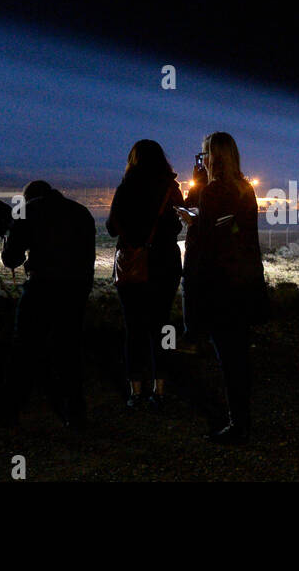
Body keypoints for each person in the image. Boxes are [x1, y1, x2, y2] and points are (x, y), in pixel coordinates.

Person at [178, 131, 266, 445]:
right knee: (237, 354)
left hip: (220, 285)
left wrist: (192, 216)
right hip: (242, 281)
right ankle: (241, 419)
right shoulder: (244, 188)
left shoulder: (218, 189)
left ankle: (238, 424)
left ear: (214, 156)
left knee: (229, 357)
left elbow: (210, 233)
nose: (202, 159)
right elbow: (231, 229)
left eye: (205, 153)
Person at [0, 180, 97, 427]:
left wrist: (10, 236)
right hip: (76, 289)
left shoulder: (29, 210)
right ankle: (75, 414)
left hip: (42, 288)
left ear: (28, 197)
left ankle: (8, 411)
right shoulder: (81, 211)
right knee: (69, 351)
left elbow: (11, 259)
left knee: (24, 350)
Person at [106, 140, 183, 409]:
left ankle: (135, 391)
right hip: (166, 263)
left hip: (134, 264)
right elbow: (177, 225)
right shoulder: (171, 188)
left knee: (134, 328)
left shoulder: (126, 187)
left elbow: (111, 228)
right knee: (162, 326)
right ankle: (160, 389)